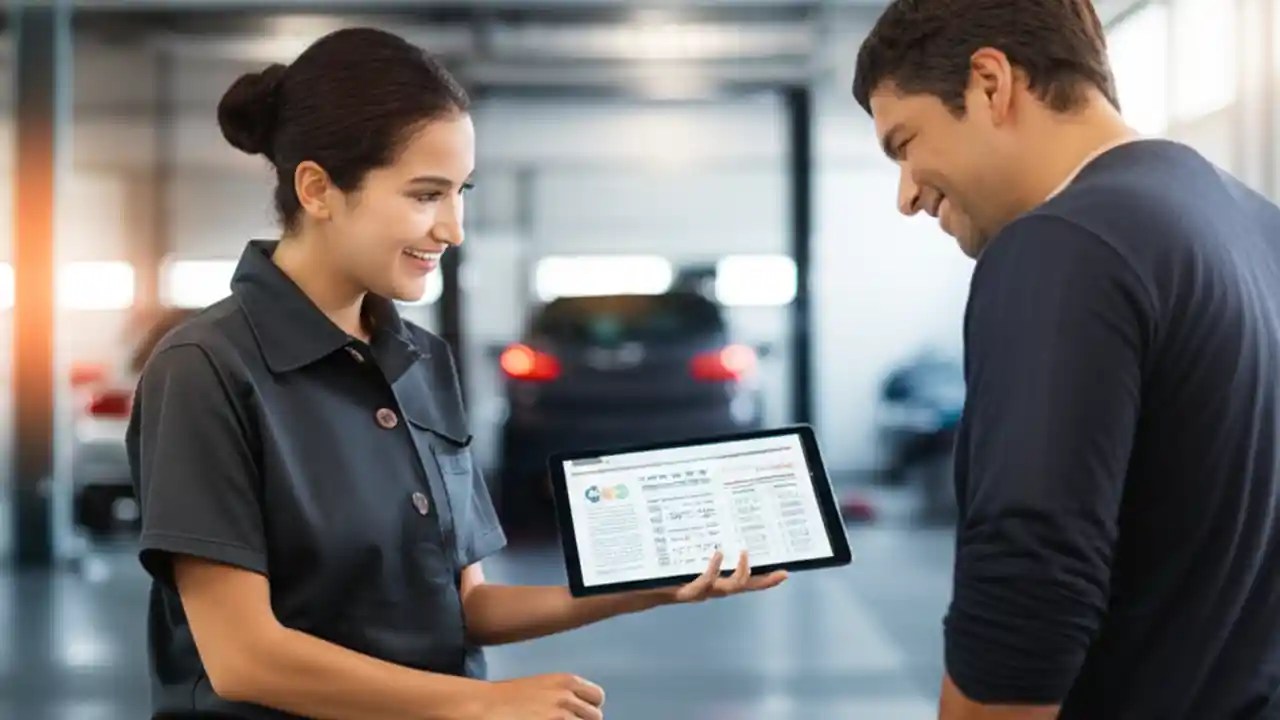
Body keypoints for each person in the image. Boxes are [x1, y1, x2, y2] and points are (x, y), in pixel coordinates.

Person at [126, 27, 787, 720]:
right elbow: (245, 658)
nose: (453, 228)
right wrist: (481, 703)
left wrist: (651, 582)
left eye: (461, 191)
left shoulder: (417, 359)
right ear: (318, 189)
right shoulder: (204, 369)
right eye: (424, 194)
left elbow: (465, 604)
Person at [852, 1, 1280, 719]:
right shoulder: (1255, 226)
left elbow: (1029, 578)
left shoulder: (1061, 245)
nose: (907, 194)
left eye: (905, 143)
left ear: (990, 83)